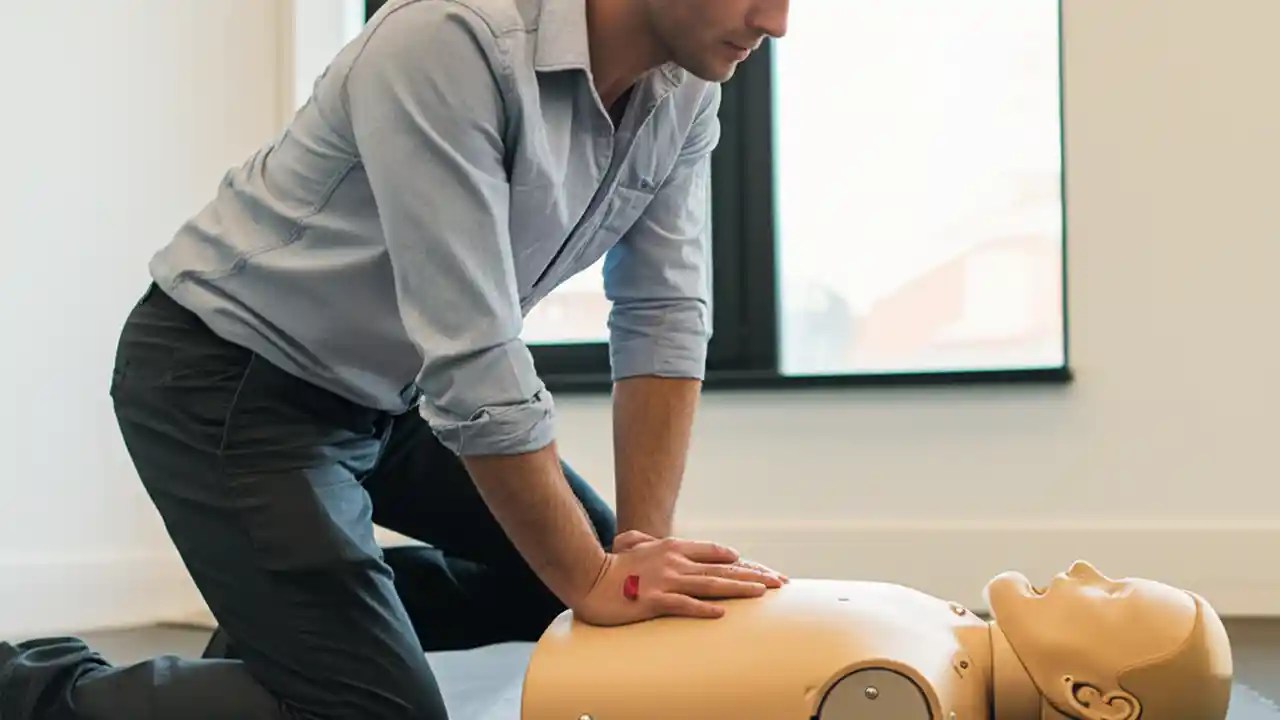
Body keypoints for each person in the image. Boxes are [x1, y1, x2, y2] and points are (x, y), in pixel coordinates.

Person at [0, 0, 791, 718]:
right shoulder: (448, 41)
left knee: (564, 587)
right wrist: (593, 576)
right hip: (231, 375)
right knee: (380, 714)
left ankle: (297, 634)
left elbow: (662, 316)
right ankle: (24, 688)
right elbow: (475, 356)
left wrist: (633, 556)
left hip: (395, 390)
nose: (777, 20)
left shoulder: (683, 92)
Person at [521, 559, 1235, 720]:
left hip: (573, 674)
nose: (1085, 570)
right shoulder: (943, 639)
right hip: (592, 631)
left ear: (1091, 698)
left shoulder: (913, 691)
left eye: (1113, 595)